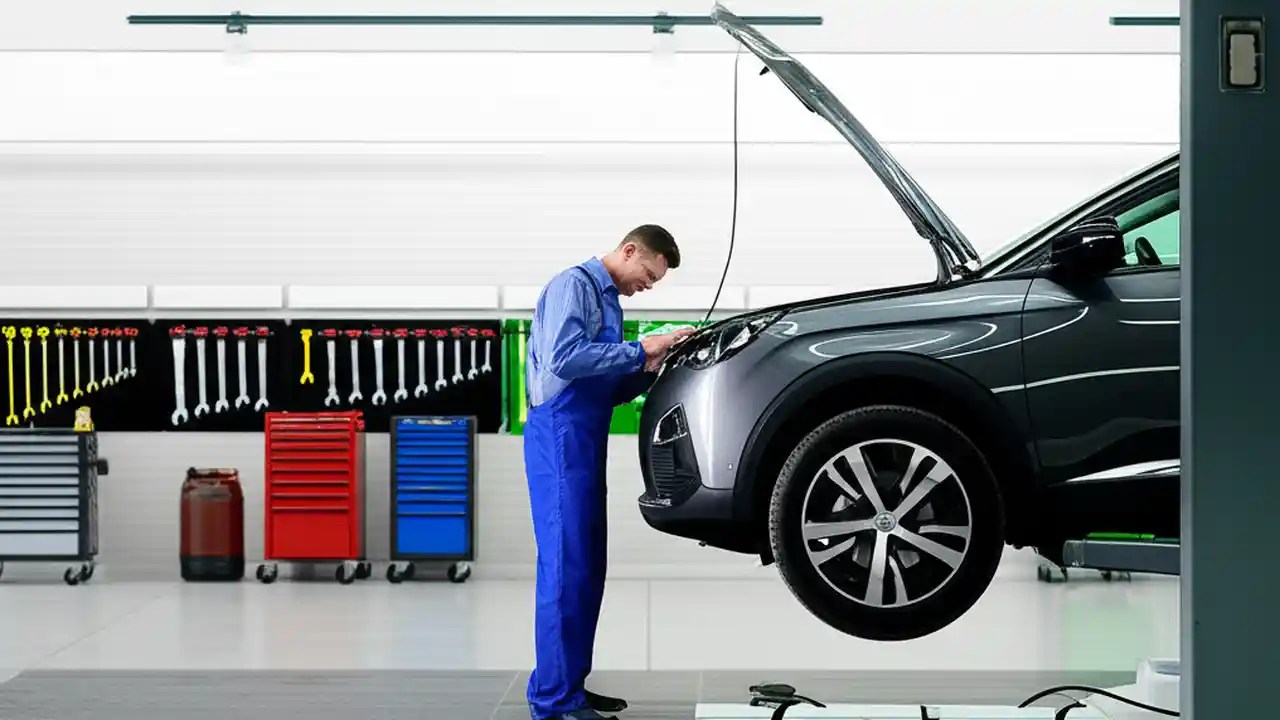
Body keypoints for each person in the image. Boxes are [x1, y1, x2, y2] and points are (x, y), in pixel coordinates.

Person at [523, 224, 694, 720]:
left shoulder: (611, 302)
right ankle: (553, 702)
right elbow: (564, 358)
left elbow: (605, 385)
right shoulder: (573, 285)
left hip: (584, 438)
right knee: (563, 569)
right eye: (648, 273)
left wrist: (652, 366)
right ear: (629, 250)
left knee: (585, 568)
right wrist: (643, 348)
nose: (648, 284)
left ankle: (569, 686)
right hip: (559, 438)